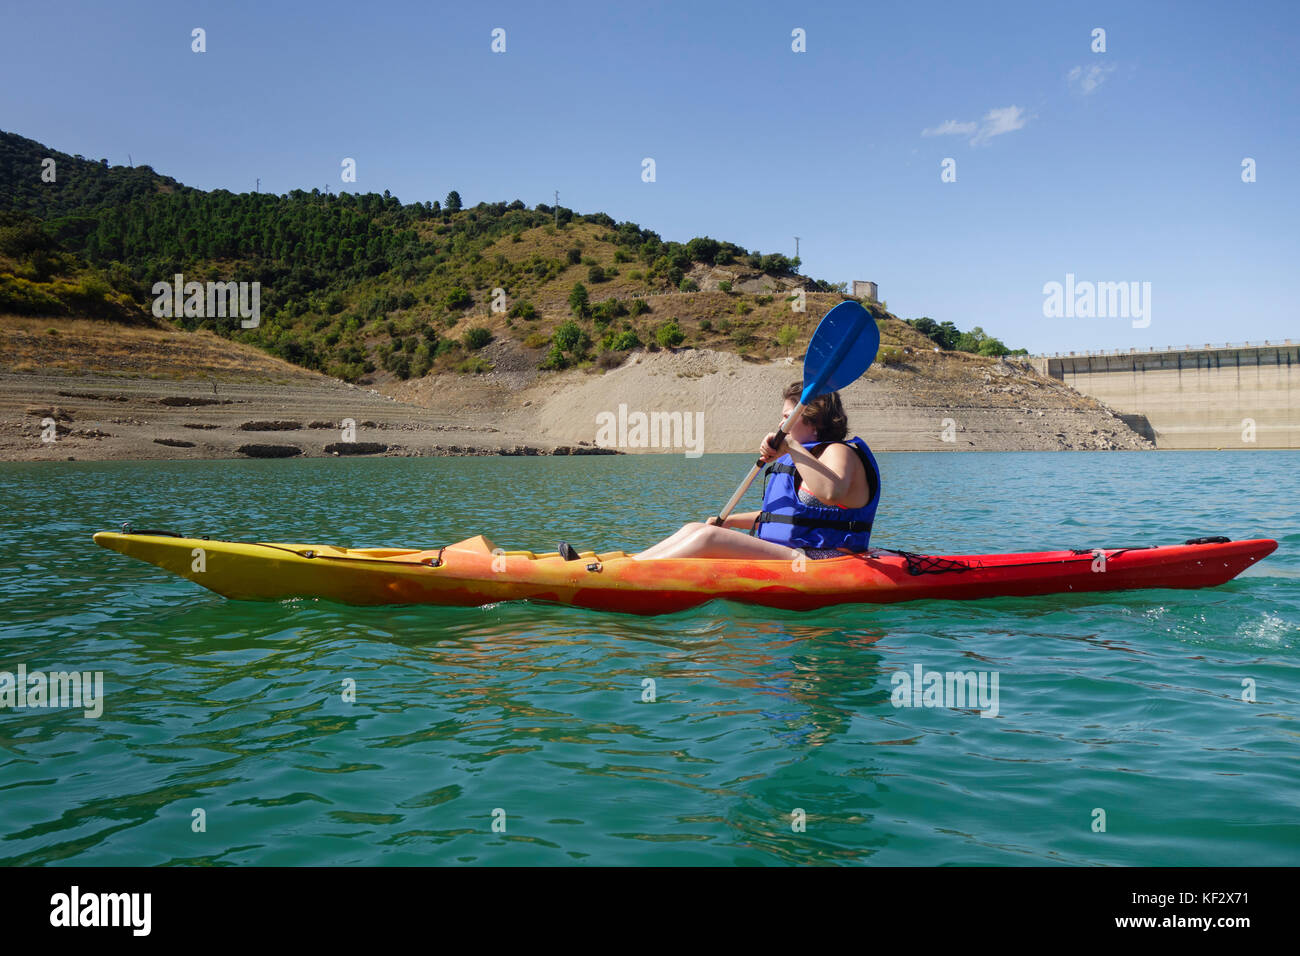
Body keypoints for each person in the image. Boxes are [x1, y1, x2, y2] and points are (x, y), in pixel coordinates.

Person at [632, 381, 880, 560]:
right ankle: (631, 565)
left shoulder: (839, 451)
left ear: (814, 421)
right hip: (795, 554)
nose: (781, 425)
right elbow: (785, 516)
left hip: (827, 558)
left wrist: (791, 446)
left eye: (787, 417)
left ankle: (632, 575)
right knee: (696, 529)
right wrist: (730, 521)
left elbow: (831, 493)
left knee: (709, 539)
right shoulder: (805, 455)